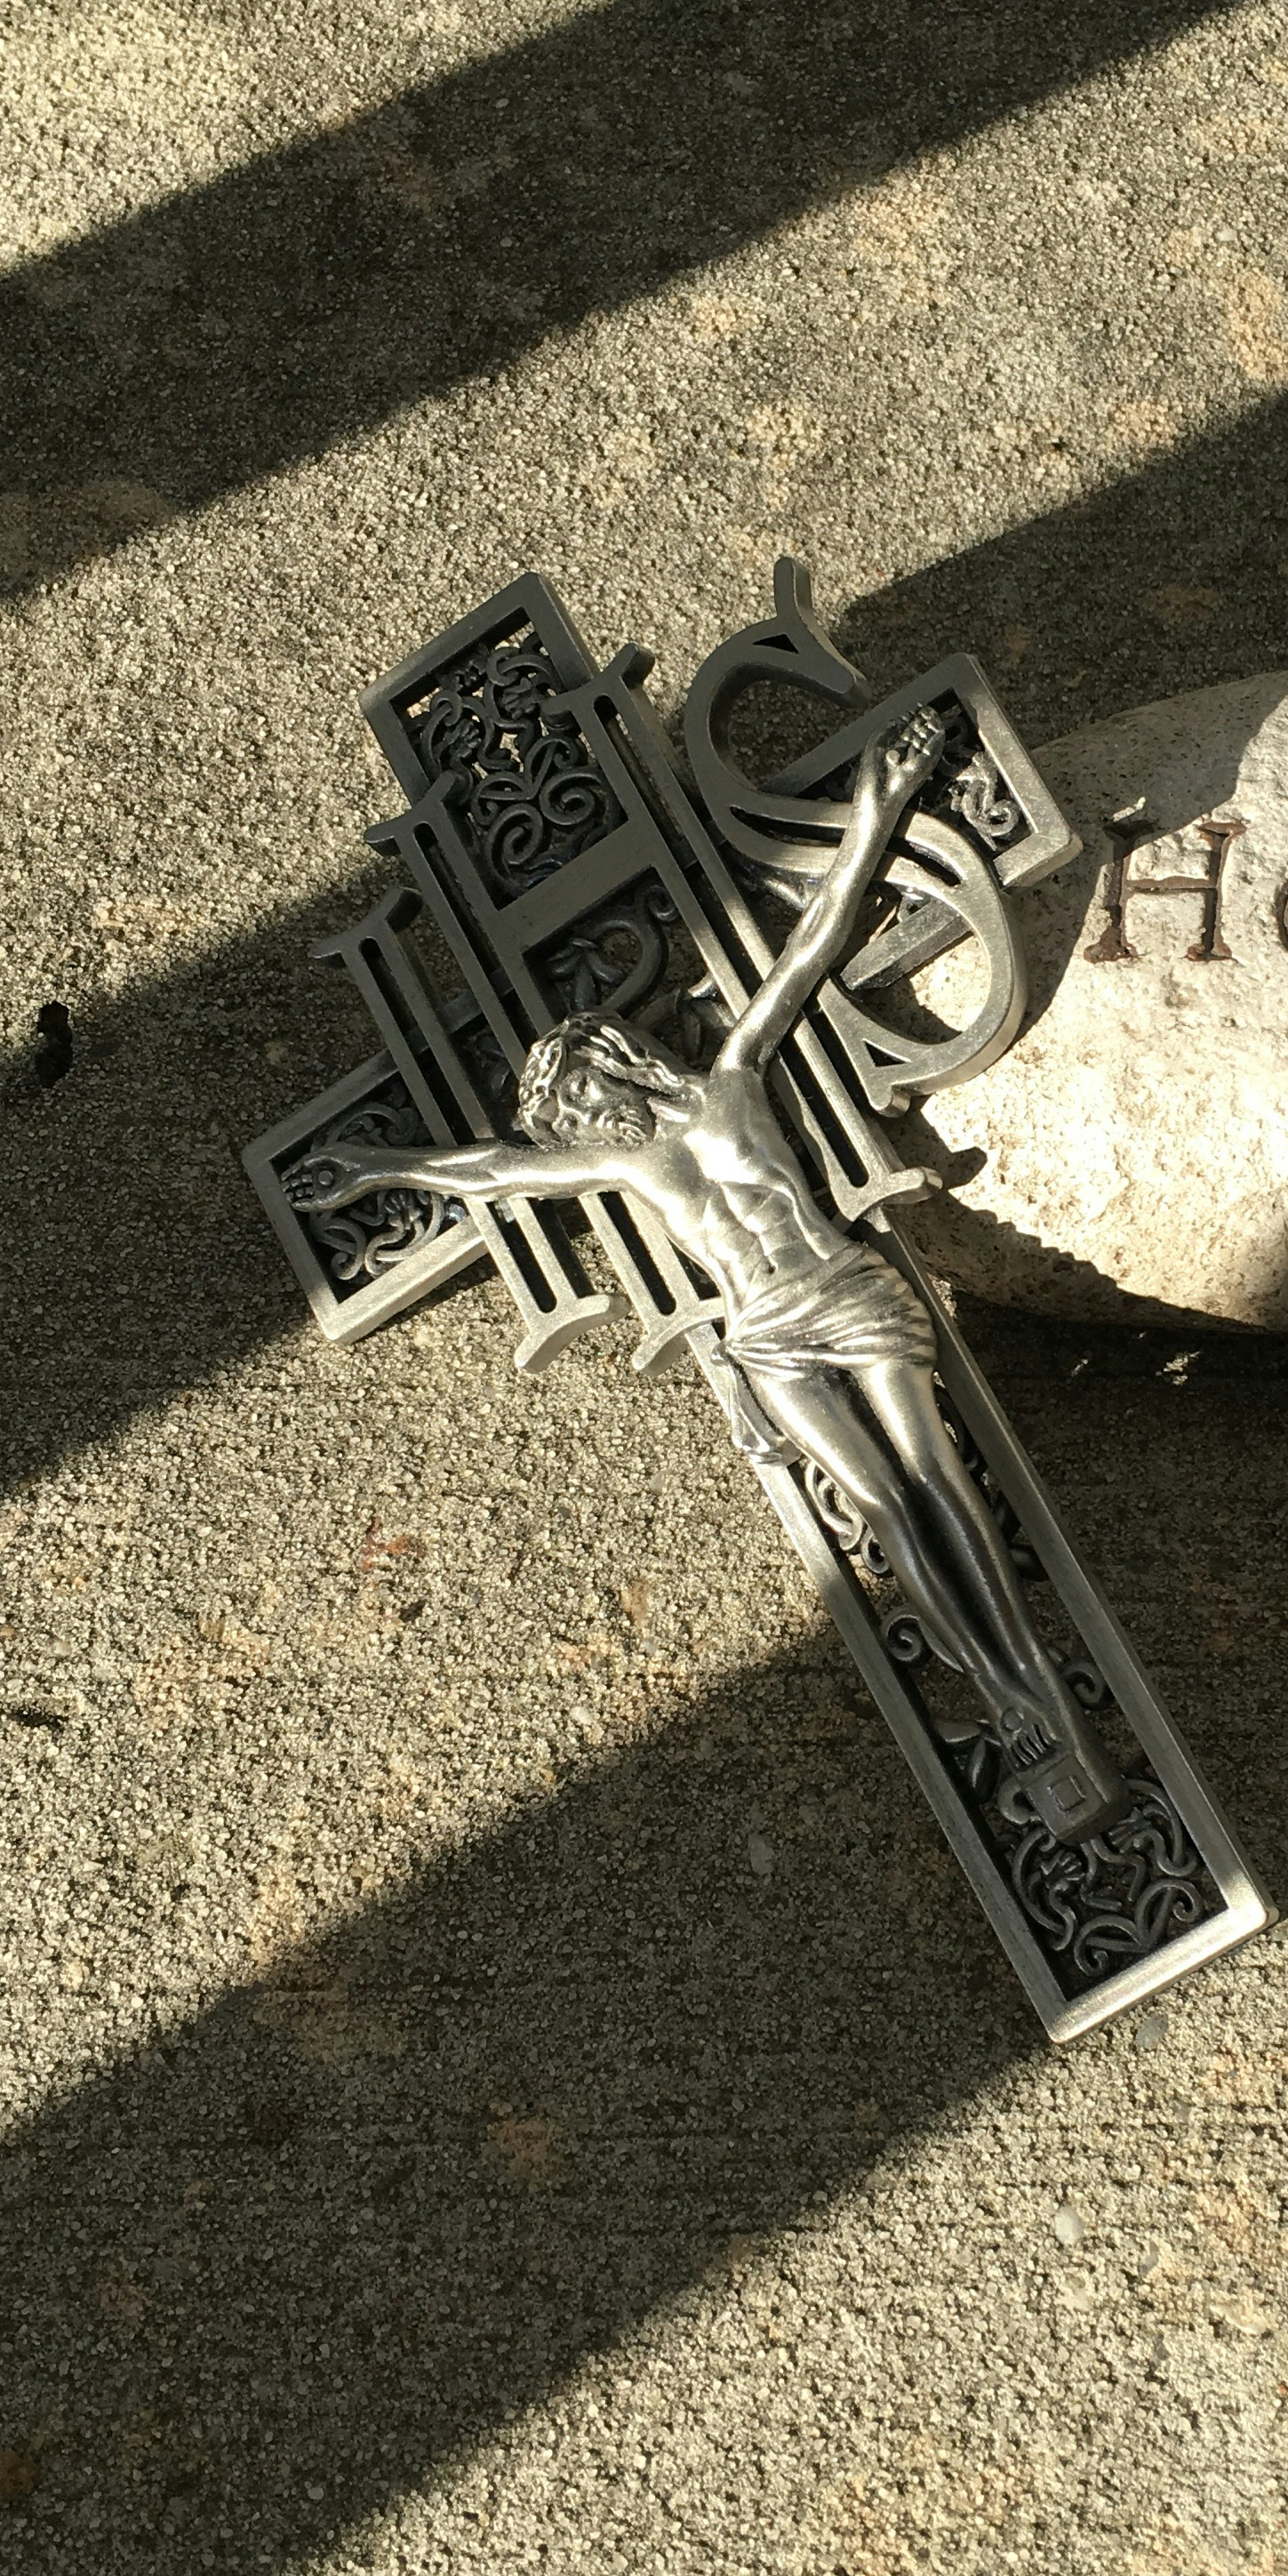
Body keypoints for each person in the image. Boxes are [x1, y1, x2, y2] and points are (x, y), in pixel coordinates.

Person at [288, 708, 1124, 1835]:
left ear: (615, 1060)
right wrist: (381, 1165)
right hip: (767, 1337)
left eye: (578, 1091)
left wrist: (884, 800)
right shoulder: (620, 1163)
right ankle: (1002, 1695)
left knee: (940, 1478)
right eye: (565, 1115)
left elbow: (816, 939)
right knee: (879, 1507)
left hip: (844, 1291)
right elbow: (493, 1174)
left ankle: (1036, 1686)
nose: (579, 1118)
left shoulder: (734, 1073)